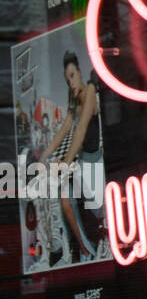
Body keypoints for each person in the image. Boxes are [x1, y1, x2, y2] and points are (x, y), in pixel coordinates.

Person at [42, 51, 102, 263]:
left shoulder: (90, 91)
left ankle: (96, 242)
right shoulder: (73, 96)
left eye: (73, 76)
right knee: (65, 200)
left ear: (79, 72)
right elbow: (65, 128)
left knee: (96, 211)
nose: (71, 83)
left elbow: (81, 129)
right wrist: (44, 155)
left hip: (94, 161)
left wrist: (65, 163)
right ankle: (86, 250)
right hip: (82, 161)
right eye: (68, 80)